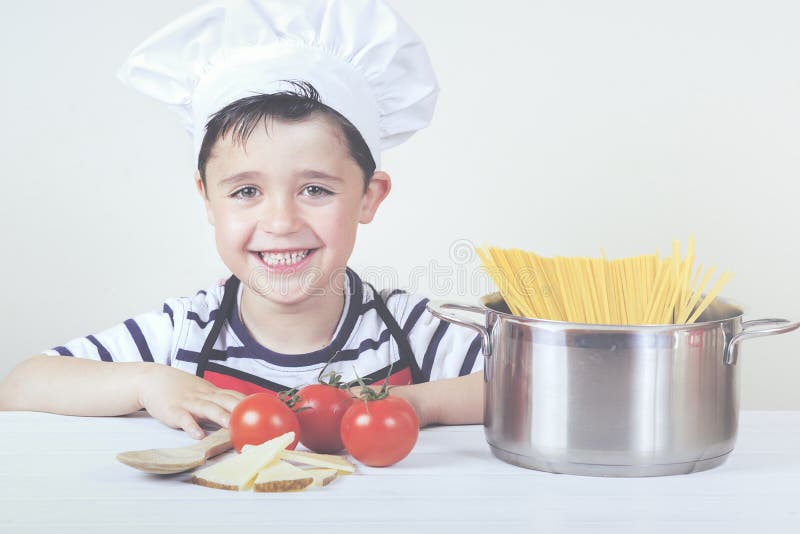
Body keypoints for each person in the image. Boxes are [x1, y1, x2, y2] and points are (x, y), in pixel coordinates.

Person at [0, 0, 483, 440]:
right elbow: (21, 385)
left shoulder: (407, 329)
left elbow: (521, 385)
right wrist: (147, 382)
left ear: (368, 198)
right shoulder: (183, 332)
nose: (281, 222)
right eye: (246, 191)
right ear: (208, 200)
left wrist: (417, 402)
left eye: (315, 189)